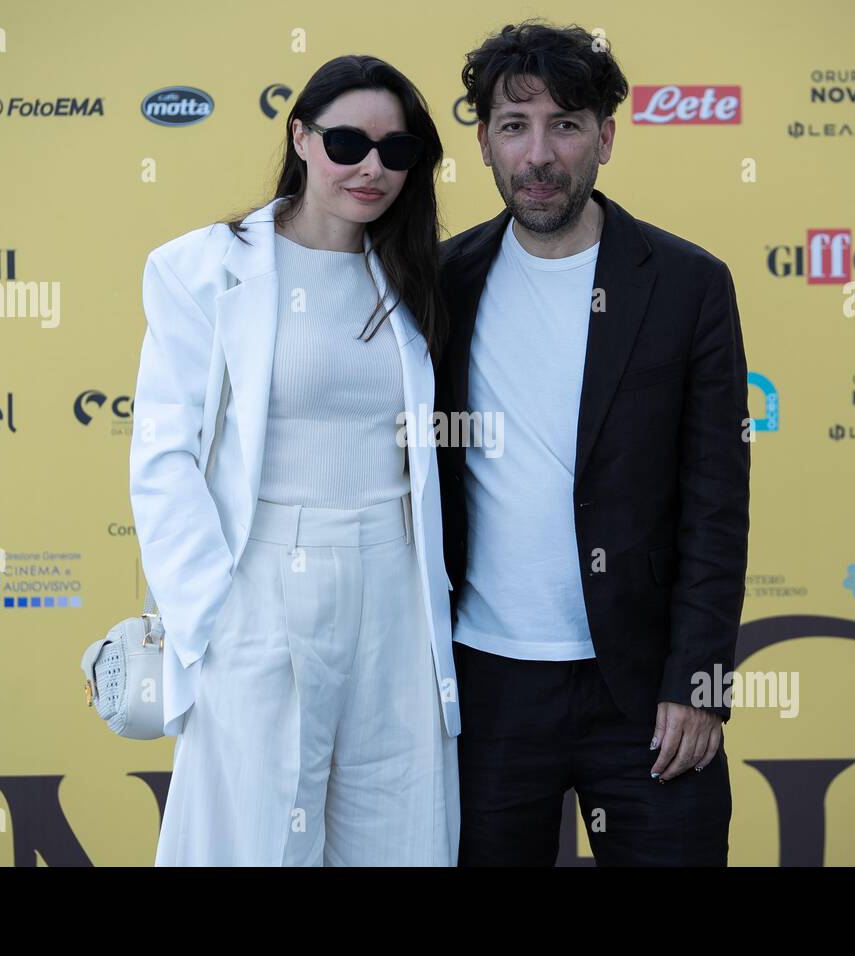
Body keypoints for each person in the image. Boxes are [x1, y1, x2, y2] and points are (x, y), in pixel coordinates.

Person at [129, 54, 460, 866]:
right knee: (255, 833)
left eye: (397, 151)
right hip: (261, 578)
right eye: (347, 142)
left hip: (397, 583)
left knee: (399, 826)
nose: (372, 167)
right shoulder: (202, 266)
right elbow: (163, 454)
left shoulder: (419, 272)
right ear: (301, 137)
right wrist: (209, 615)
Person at [436, 21, 751, 866]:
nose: (539, 154)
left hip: (647, 691)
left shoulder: (688, 284)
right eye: (514, 125)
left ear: (606, 137)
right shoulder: (440, 283)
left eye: (566, 125)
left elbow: (716, 503)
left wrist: (700, 684)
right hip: (485, 688)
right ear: (484, 142)